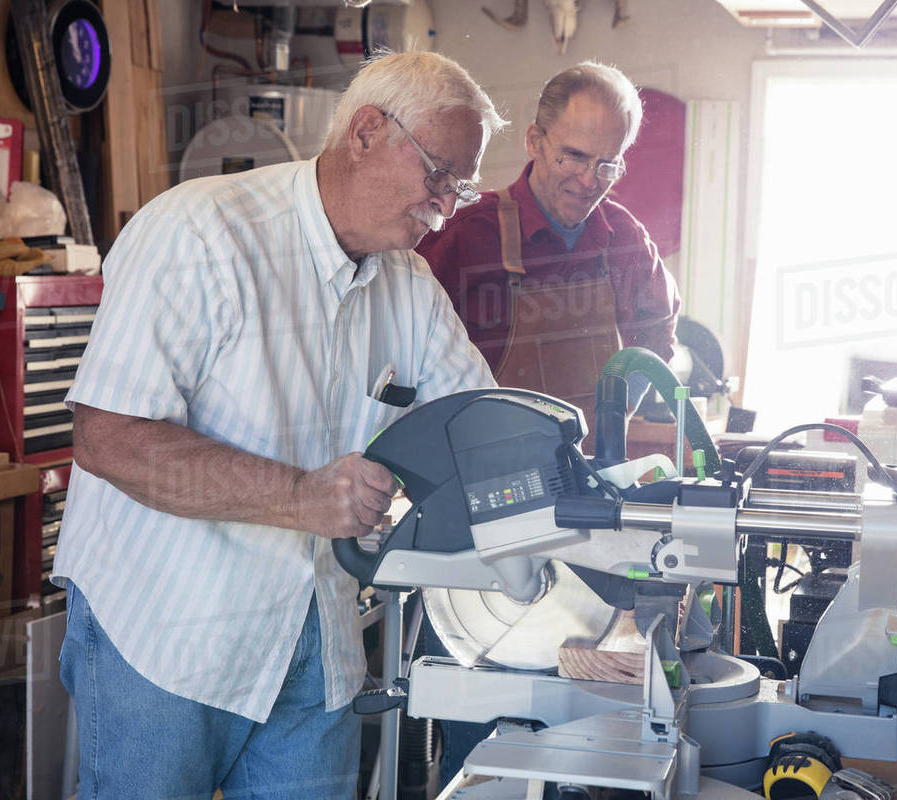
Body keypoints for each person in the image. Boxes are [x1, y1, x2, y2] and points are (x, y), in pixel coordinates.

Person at [52, 51, 505, 799]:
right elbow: (108, 438)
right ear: (366, 131)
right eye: (438, 175)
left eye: (462, 185)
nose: (448, 205)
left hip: (312, 641)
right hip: (165, 634)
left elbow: (478, 431)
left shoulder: (410, 289)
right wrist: (302, 497)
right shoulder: (201, 234)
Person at [416, 61, 681, 436]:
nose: (589, 180)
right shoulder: (467, 232)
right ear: (534, 142)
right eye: (573, 156)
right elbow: (402, 342)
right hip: (487, 472)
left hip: (590, 474)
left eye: (607, 165)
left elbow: (659, 326)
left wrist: (616, 411)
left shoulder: (624, 237)